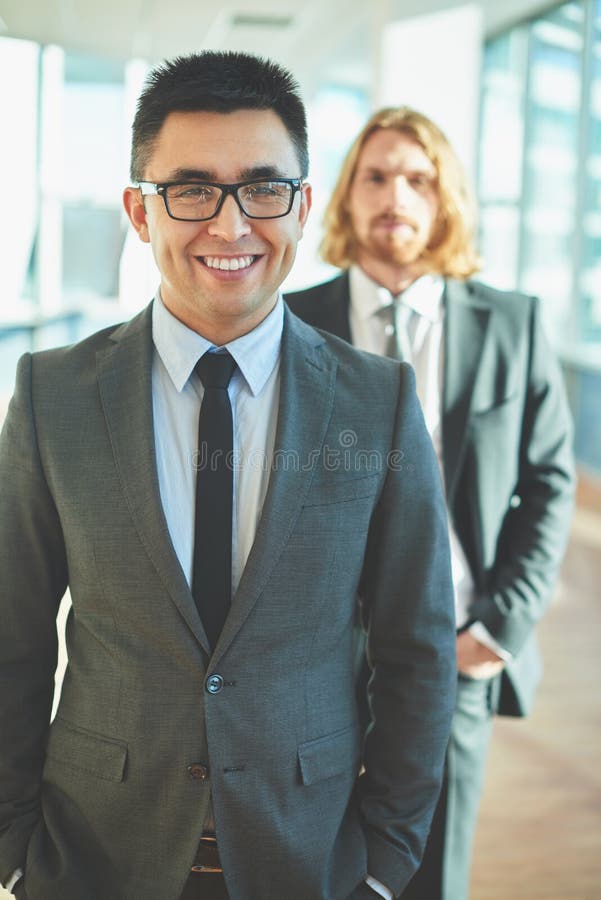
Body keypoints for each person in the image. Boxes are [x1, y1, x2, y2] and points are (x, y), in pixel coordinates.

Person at [0, 57, 457, 900]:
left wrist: (386, 864)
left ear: (303, 206)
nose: (230, 223)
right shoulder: (52, 394)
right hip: (93, 856)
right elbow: (11, 637)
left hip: (309, 856)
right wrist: (12, 849)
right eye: (191, 190)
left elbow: (417, 649)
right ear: (139, 211)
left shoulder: (377, 401)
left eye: (262, 188)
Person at [286, 106, 575, 900]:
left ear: (446, 199)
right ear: (345, 196)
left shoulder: (512, 325)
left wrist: (497, 626)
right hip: (310, 659)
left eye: (418, 180)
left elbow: (547, 484)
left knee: (430, 874)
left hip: (455, 649)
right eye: (375, 177)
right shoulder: (290, 322)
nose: (395, 197)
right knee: (306, 865)